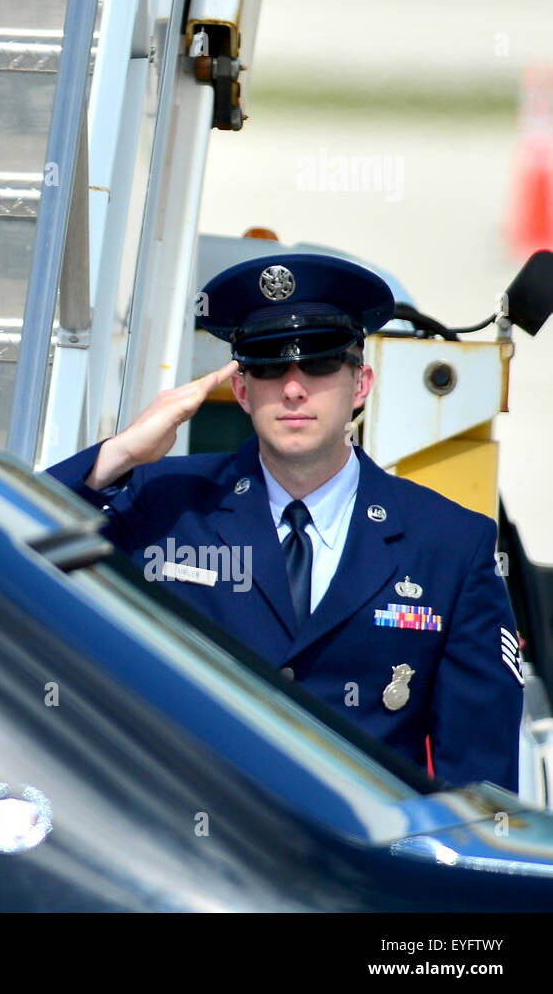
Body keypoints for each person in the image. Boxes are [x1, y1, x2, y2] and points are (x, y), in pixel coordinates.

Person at [48, 252, 524, 791]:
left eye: (320, 363)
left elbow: (481, 784)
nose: (294, 389)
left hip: (358, 866)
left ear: (361, 384)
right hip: (192, 854)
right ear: (244, 392)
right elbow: (3, 546)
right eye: (270, 366)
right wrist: (117, 455)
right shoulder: (162, 504)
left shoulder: (450, 543)